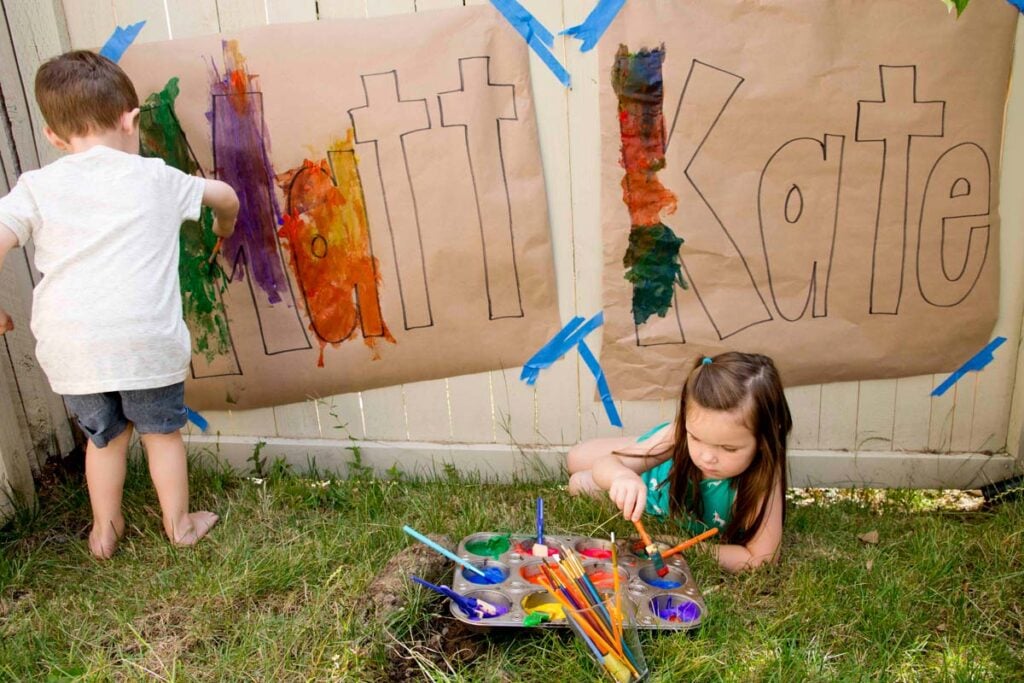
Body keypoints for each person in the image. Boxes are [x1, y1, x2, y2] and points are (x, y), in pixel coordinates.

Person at [0, 50, 240, 559]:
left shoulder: (37, 188)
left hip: (73, 347)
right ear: (131, 120)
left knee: (103, 439)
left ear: (53, 137)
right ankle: (180, 525)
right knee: (161, 435)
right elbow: (224, 194)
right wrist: (224, 225)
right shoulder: (156, 177)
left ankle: (104, 532)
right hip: (145, 341)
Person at [567, 352, 791, 572]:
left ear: (764, 440)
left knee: (579, 484)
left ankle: (647, 449)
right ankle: (647, 445)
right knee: (575, 457)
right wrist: (622, 476)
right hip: (654, 467)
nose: (706, 457)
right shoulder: (681, 434)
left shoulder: (765, 477)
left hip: (654, 491)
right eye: (696, 437)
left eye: (728, 448)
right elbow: (607, 464)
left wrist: (671, 543)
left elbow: (762, 559)